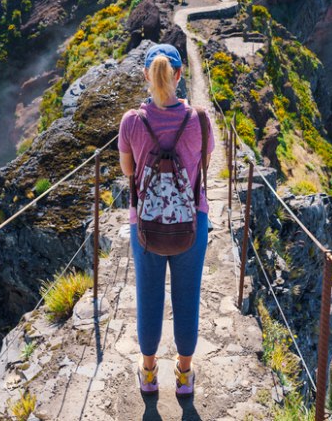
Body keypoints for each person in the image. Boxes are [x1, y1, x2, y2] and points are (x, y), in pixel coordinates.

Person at [118, 42, 214, 397]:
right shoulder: (200, 120)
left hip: (144, 226)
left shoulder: (131, 122)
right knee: (187, 298)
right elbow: (204, 165)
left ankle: (148, 373)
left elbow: (128, 171)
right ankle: (185, 377)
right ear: (178, 75)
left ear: (146, 75)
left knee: (149, 297)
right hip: (192, 224)